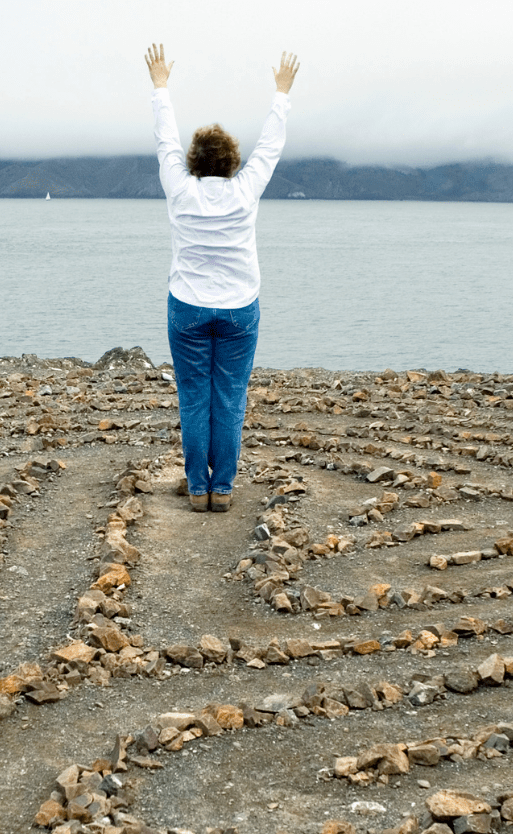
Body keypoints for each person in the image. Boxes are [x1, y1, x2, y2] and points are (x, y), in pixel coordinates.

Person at [146, 43, 299, 513]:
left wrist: (160, 86)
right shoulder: (245, 191)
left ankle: (197, 487)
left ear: (193, 161)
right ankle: (224, 488)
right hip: (239, 307)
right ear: (233, 160)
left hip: (188, 306)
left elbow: (165, 141)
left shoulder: (180, 189)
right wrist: (281, 93)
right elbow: (270, 148)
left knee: (194, 396)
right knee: (229, 396)